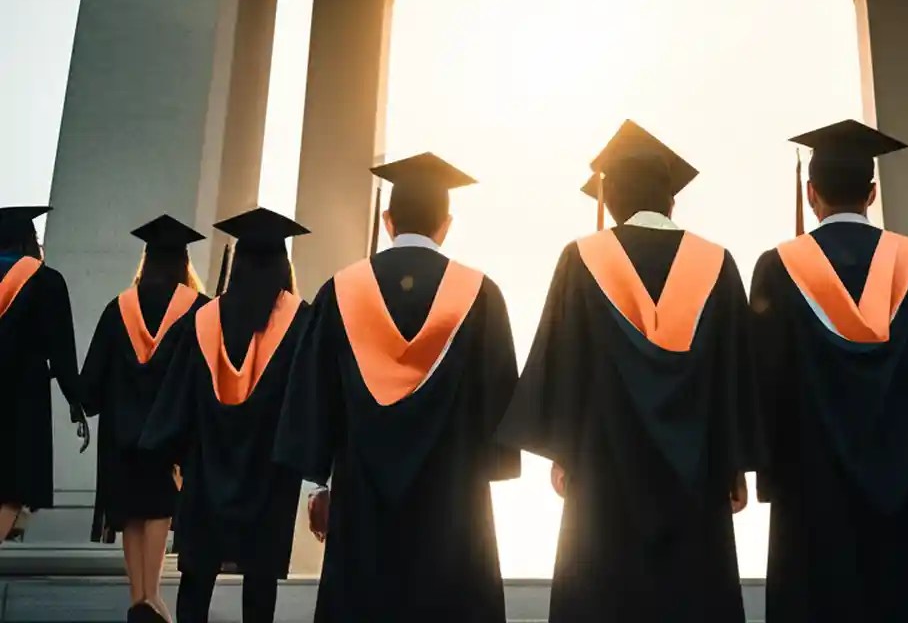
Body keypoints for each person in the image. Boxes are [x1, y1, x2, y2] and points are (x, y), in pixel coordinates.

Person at [497, 120, 759, 623]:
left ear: (610, 200)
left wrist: (563, 450)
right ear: (671, 200)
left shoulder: (581, 260)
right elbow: (736, 379)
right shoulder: (717, 263)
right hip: (698, 483)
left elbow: (561, 365)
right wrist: (734, 463)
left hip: (603, 482)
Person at [749, 120, 908, 622]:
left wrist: (764, 468)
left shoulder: (778, 266)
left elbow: (763, 383)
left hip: (810, 487)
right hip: (905, 479)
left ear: (812, 194)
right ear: (872, 193)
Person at [274, 153, 520, 622]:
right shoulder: (480, 294)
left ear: (387, 222)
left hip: (362, 500)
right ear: (445, 225)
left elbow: (314, 396)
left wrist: (317, 485)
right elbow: (500, 401)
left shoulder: (341, 291)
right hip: (453, 506)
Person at [139, 208, 310, 623]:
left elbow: (175, 400)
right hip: (270, 479)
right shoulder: (302, 320)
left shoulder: (203, 320)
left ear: (237, 264)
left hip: (206, 475)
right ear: (283, 265)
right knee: (260, 583)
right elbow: (309, 401)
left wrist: (171, 455)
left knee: (196, 579)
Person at [80, 215, 208, 622]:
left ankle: (139, 599)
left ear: (147, 260)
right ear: (183, 262)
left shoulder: (119, 308)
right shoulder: (198, 310)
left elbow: (91, 381)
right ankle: (151, 598)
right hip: (170, 433)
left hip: (120, 433)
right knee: (157, 509)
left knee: (131, 513)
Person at [0, 206, 89, 543]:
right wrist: (75, 400)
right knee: (14, 487)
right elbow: (62, 349)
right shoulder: (46, 280)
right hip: (25, 396)